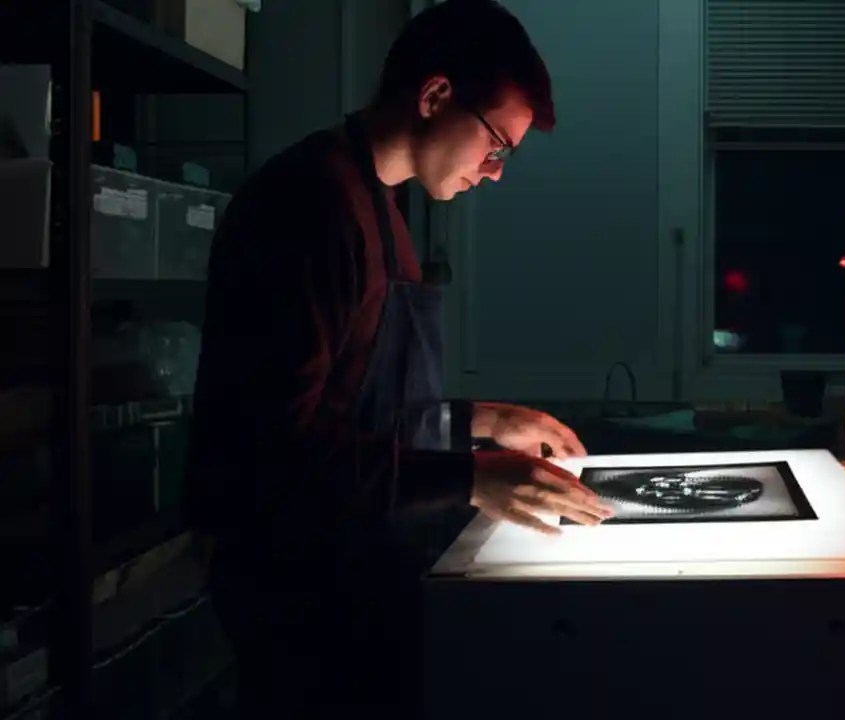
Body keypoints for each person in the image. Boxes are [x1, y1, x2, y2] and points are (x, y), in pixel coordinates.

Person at [185, 0, 613, 715]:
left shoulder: (381, 209)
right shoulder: (309, 206)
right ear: (436, 96)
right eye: (497, 146)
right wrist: (470, 476)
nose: (496, 173)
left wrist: (481, 420)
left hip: (358, 566)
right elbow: (277, 453)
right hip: (294, 593)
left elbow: (361, 407)